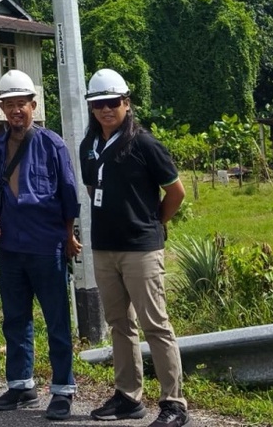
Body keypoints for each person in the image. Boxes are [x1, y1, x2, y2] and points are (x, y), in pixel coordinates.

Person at [80, 69, 188, 427]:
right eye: (98, 104)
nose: (106, 110)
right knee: (119, 324)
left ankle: (174, 403)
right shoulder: (88, 146)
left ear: (126, 103)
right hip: (104, 248)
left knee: (155, 324)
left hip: (141, 248)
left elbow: (176, 192)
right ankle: (128, 396)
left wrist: (155, 222)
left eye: (113, 102)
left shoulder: (144, 143)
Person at [0, 70, 81, 421]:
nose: (16, 110)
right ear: (2, 109)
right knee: (16, 320)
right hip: (11, 247)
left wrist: (69, 236)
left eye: (22, 103)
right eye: (9, 104)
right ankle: (21, 385)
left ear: (33, 105)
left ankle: (63, 390)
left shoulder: (52, 144)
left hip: (47, 245)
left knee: (56, 320)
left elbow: (68, 194)